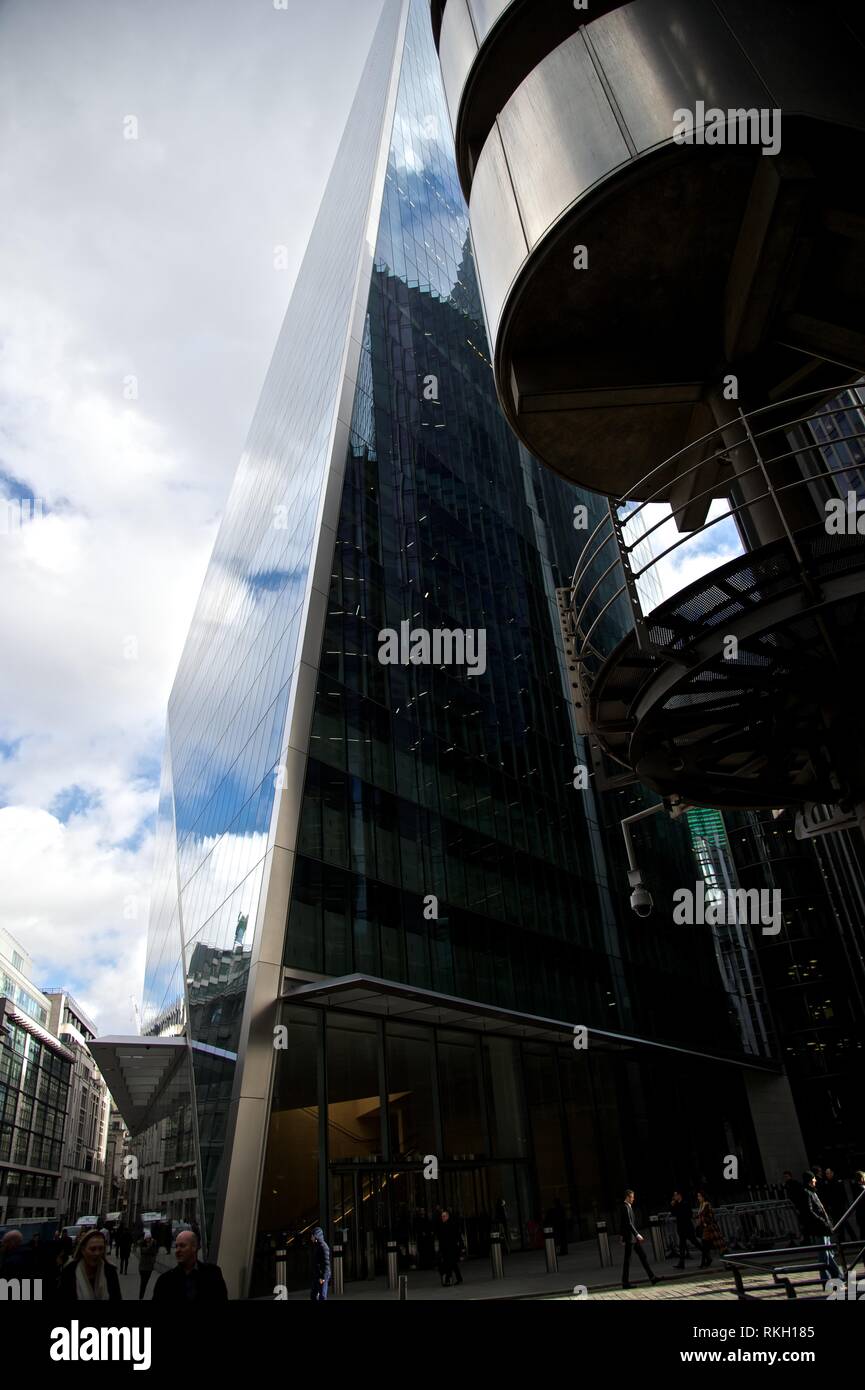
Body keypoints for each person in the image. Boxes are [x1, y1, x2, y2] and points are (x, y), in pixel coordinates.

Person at [152, 1229, 228, 1303]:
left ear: (194, 1247)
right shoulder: (165, 1281)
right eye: (176, 1246)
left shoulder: (213, 1273)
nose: (177, 1250)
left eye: (182, 1246)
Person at [801, 1171, 842, 1287]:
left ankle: (837, 1276)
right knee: (824, 1254)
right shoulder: (807, 1192)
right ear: (810, 1180)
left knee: (828, 1253)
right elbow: (810, 1211)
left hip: (823, 1226)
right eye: (814, 1178)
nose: (816, 1180)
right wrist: (823, 1221)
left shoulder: (812, 1191)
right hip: (819, 1227)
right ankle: (827, 1279)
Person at [58, 1229, 122, 1302]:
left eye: (101, 1249)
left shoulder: (110, 1271)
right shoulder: (70, 1272)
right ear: (83, 1250)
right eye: (93, 1249)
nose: (97, 1253)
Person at [620, 1189, 658, 1289]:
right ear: (628, 1197)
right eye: (632, 1197)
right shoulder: (625, 1207)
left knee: (642, 1256)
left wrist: (621, 1236)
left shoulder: (628, 1207)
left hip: (632, 1238)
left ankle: (652, 1277)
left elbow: (622, 1224)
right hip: (630, 1238)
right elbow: (628, 1223)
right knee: (627, 1260)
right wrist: (637, 1234)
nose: (633, 1199)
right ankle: (625, 1283)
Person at [670, 1190, 701, 1269]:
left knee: (694, 1242)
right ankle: (681, 1263)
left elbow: (689, 1214)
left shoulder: (685, 1203)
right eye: (674, 1196)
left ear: (680, 1195)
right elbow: (674, 1214)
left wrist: (678, 1210)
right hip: (681, 1228)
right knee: (682, 1245)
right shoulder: (676, 1204)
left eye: (675, 1195)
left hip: (687, 1227)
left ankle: (706, 1255)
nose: (674, 1197)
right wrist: (673, 1206)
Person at [695, 1190, 725, 1268]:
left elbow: (707, 1215)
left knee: (717, 1245)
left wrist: (702, 1220)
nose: (698, 1198)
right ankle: (705, 1262)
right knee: (706, 1246)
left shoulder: (707, 1204)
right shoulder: (701, 1204)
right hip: (706, 1229)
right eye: (698, 1196)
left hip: (710, 1228)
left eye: (699, 1196)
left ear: (703, 1197)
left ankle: (707, 1262)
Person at [438, 1209, 463, 1287]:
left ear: (448, 1216)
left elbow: (457, 1236)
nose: (443, 1217)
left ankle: (447, 1280)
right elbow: (441, 1240)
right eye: (442, 1216)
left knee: (449, 1264)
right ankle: (459, 1279)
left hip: (452, 1248)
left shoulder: (452, 1225)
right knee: (453, 1264)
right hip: (446, 1249)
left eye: (444, 1216)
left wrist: (461, 1246)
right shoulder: (442, 1226)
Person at [308, 1226, 331, 1301]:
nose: (311, 1238)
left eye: (312, 1236)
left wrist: (323, 1277)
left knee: (322, 1296)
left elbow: (326, 1263)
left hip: (322, 1275)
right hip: (317, 1274)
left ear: (316, 1236)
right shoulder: (316, 1246)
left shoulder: (323, 1247)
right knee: (313, 1295)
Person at [136, 1233, 158, 1301]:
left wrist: (154, 1244)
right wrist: (151, 1244)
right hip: (142, 1267)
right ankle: (141, 1297)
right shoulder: (142, 1244)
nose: (149, 1239)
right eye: (147, 1238)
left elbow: (155, 1252)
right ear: (145, 1239)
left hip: (149, 1267)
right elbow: (145, 1250)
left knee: (145, 1282)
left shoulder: (153, 1245)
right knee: (143, 1282)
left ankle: (141, 1296)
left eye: (150, 1238)